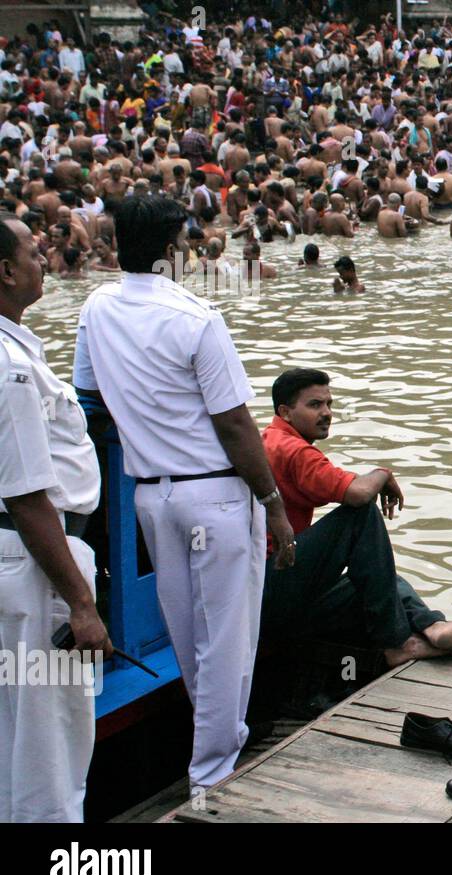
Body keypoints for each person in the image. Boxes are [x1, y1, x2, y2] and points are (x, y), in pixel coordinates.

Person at [73, 196, 296, 792]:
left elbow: (89, 399)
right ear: (174, 245)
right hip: (217, 495)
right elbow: (234, 423)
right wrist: (272, 503)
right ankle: (213, 770)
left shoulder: (97, 308)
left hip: (152, 495)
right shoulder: (196, 316)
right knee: (226, 639)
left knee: (188, 634)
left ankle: (213, 753)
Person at [260, 369, 452, 665]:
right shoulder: (292, 450)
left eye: (329, 404)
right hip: (267, 591)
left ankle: (433, 626)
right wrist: (382, 473)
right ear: (285, 412)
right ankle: (396, 643)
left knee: (380, 577)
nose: (326, 413)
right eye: (315, 405)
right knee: (359, 516)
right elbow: (359, 493)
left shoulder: (269, 441)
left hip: (268, 592)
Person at [0, 213, 110, 822]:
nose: (44, 260)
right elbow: (26, 493)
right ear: (5, 271)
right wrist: (82, 603)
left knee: (17, 741)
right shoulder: (10, 365)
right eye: (32, 253)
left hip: (21, 556)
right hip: (39, 561)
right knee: (51, 750)